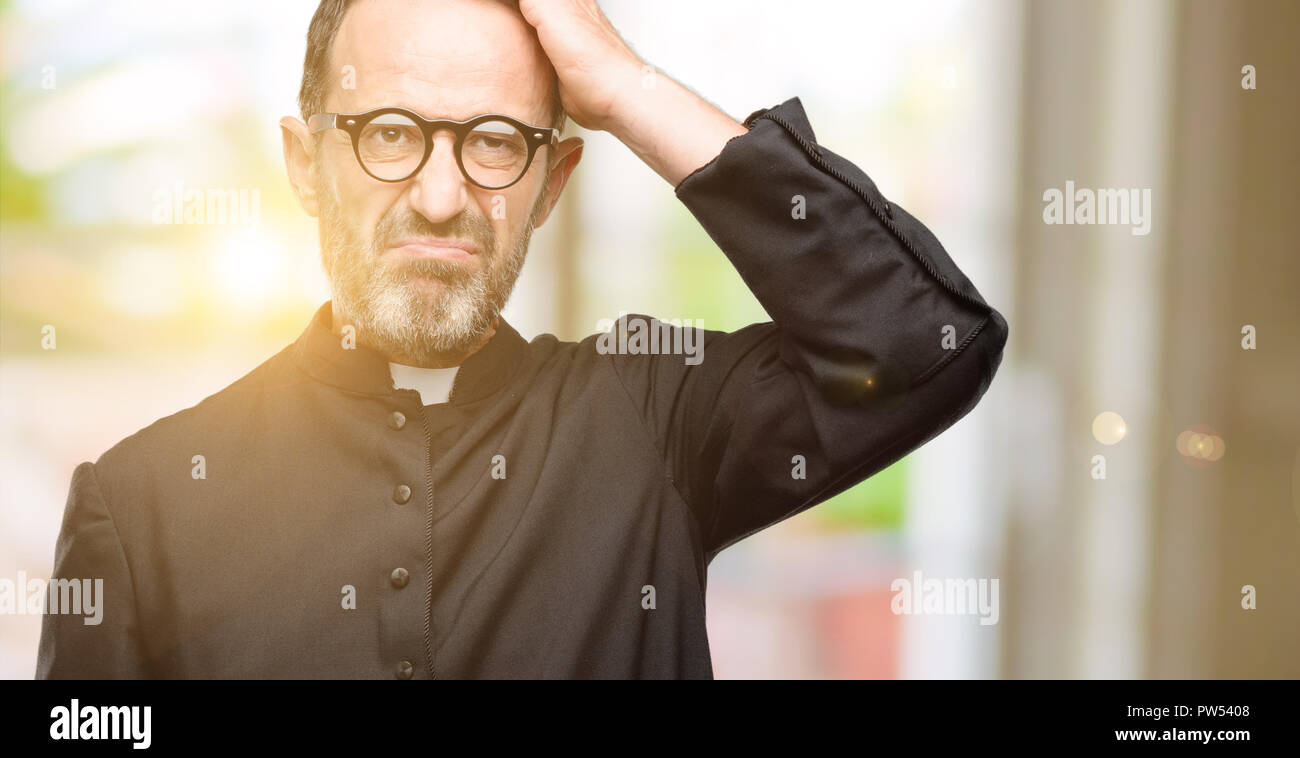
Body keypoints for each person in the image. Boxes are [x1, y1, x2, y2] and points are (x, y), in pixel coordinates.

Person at [37, 0, 1008, 679]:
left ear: (551, 183)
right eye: (388, 132)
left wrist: (627, 85)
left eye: (494, 141)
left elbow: (925, 341)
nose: (440, 194)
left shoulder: (655, 425)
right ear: (304, 164)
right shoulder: (138, 507)